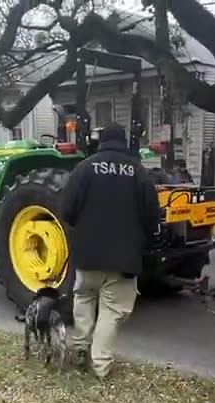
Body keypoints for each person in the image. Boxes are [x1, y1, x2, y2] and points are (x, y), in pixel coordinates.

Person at [61, 125, 161, 379]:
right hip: (123, 259)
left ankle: (79, 349)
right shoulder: (138, 172)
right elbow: (153, 217)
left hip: (87, 257)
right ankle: (100, 366)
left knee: (83, 299)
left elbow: (67, 212)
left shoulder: (83, 169)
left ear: (100, 142)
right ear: (124, 142)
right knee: (111, 311)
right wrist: (146, 239)